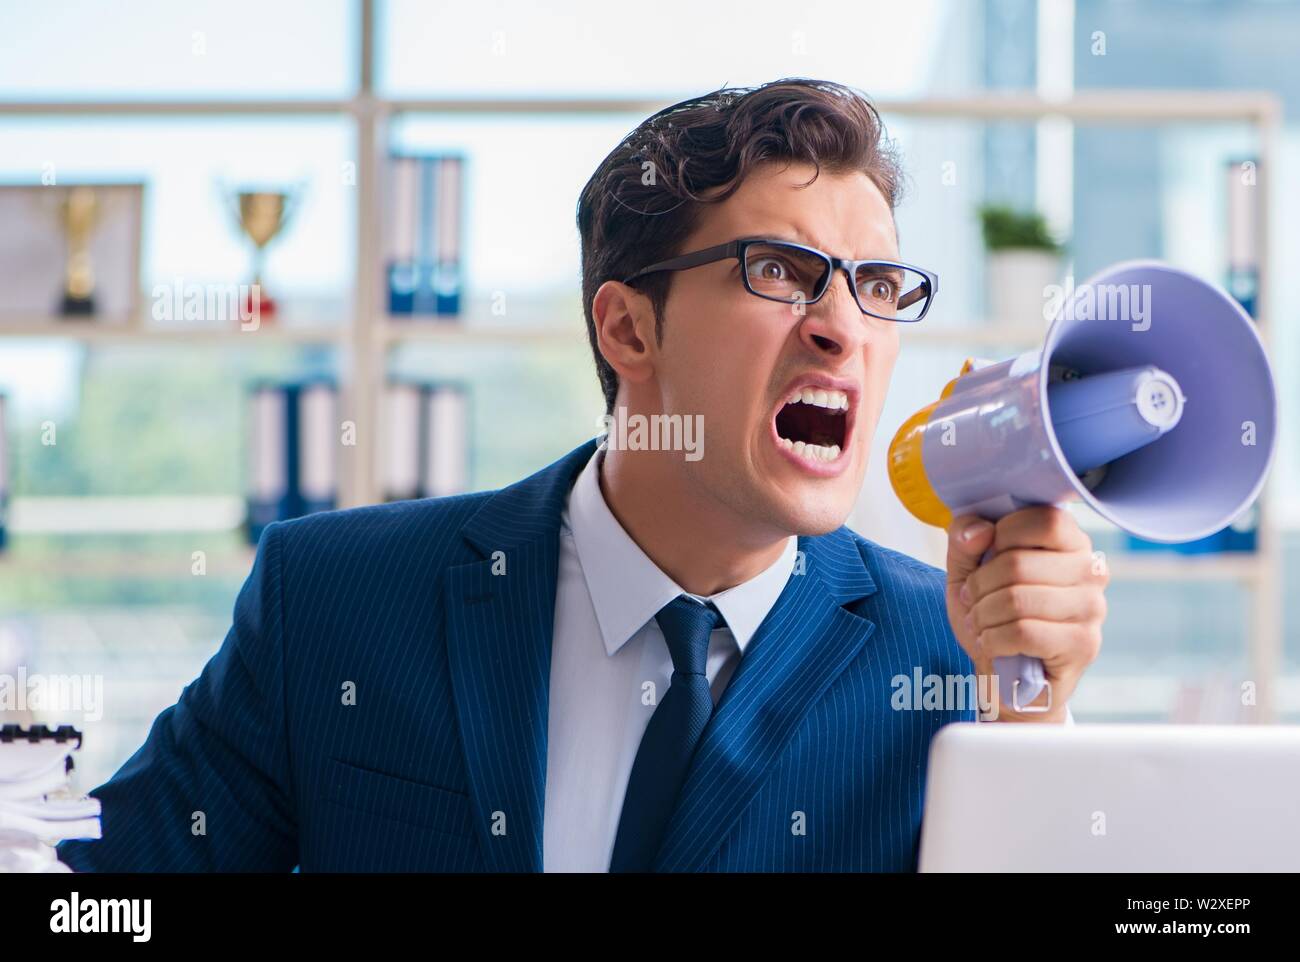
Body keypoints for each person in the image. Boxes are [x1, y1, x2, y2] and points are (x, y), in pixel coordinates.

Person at [59, 78, 1105, 873]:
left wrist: (1029, 724)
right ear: (626, 325)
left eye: (876, 284)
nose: (842, 327)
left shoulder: (952, 656)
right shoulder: (337, 598)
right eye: (780, 271)